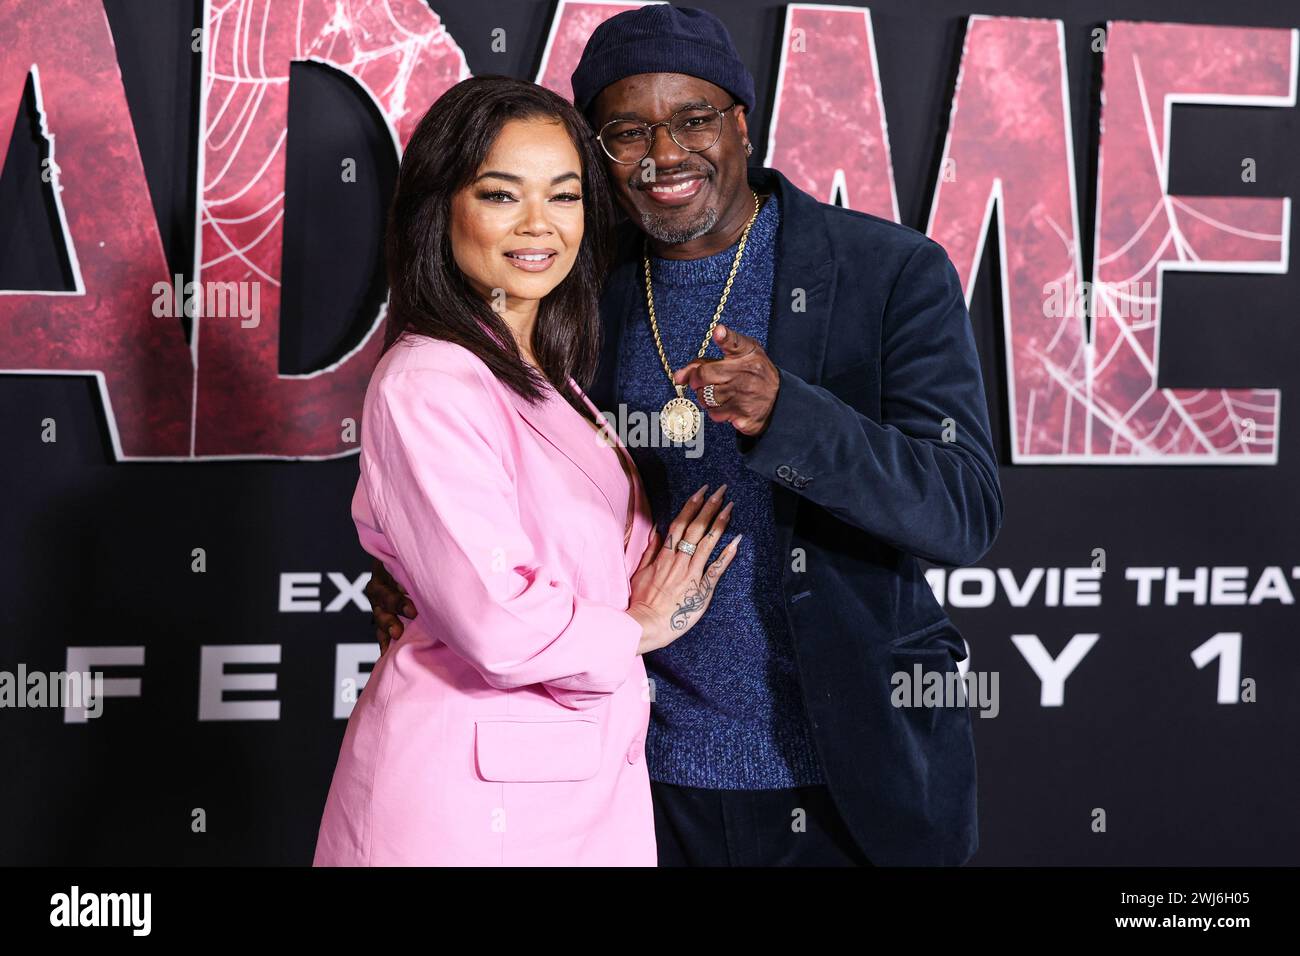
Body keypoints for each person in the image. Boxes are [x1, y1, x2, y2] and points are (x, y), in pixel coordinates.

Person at [368, 6, 1004, 867]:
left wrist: (792, 416)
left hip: (853, 778)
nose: (665, 155)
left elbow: (962, 512)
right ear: (596, 155)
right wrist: (424, 571)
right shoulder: (570, 282)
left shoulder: (888, 272)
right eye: (626, 132)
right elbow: (497, 475)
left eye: (694, 120)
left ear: (743, 123)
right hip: (640, 776)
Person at [313, 75, 741, 867]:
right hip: (468, 806)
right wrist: (638, 627)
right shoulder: (429, 380)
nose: (540, 225)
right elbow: (496, 623)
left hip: (577, 791)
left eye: (566, 195)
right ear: (441, 209)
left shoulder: (546, 375)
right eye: (502, 195)